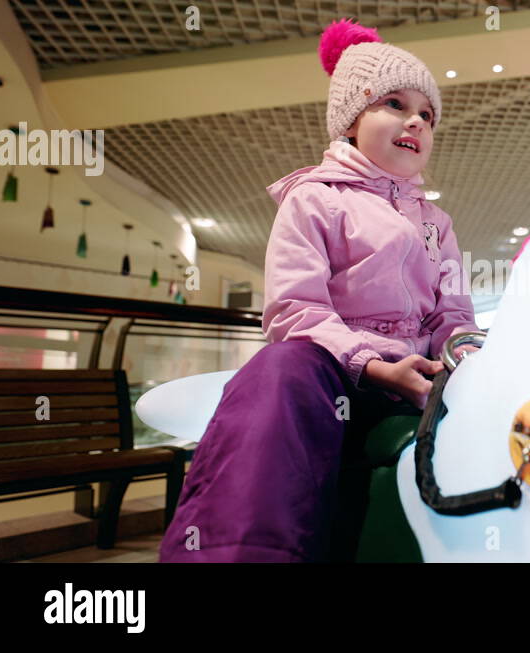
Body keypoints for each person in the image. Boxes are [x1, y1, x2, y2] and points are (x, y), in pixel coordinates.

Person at [158, 18, 479, 563]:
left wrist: (464, 355)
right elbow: (294, 308)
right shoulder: (314, 199)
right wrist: (374, 366)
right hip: (336, 371)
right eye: (395, 104)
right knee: (279, 367)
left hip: (419, 377)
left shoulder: (436, 223)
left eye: (428, 114)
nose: (416, 122)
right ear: (351, 121)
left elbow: (453, 315)